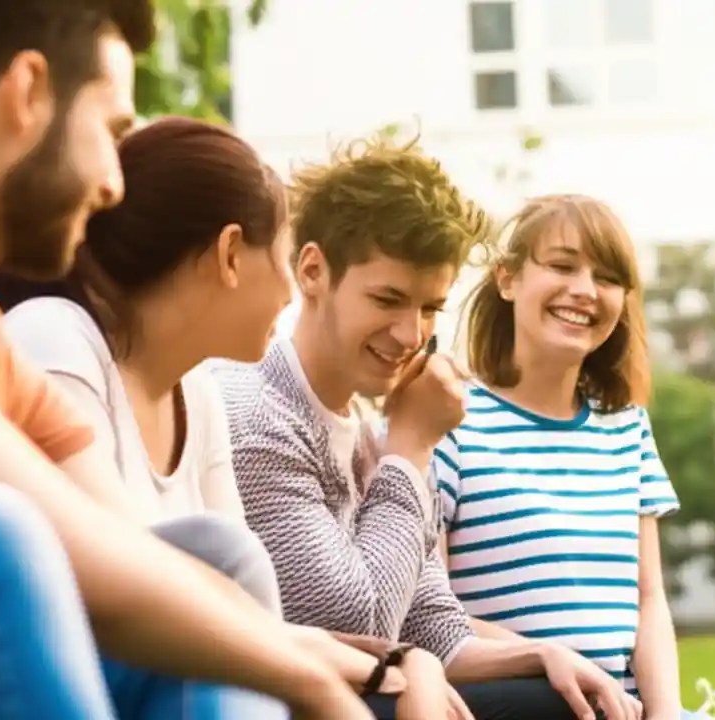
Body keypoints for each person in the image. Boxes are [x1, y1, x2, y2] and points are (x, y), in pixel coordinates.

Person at [0, 1, 367, 717]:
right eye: (111, 130)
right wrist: (309, 686)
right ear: (28, 94)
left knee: (206, 560)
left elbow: (132, 553)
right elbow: (77, 552)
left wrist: (359, 672)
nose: (114, 183)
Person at [0, 117, 428, 711]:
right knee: (218, 551)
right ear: (229, 254)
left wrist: (404, 665)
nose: (286, 292)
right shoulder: (55, 339)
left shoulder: (197, 394)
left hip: (185, 684)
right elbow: (139, 587)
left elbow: (247, 620)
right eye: (279, 258)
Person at [214, 137, 643, 720]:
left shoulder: (366, 438)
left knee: (567, 696)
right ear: (313, 270)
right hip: (284, 703)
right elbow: (358, 625)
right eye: (387, 299)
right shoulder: (257, 413)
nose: (410, 334)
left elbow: (436, 629)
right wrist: (411, 448)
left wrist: (542, 654)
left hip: (376, 695)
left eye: (429, 308)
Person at [434, 194, 707, 720]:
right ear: (507, 279)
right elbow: (429, 611)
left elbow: (649, 601)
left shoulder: (626, 428)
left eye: (606, 277)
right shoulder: (449, 419)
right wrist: (546, 664)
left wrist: (667, 710)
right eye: (561, 266)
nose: (584, 290)